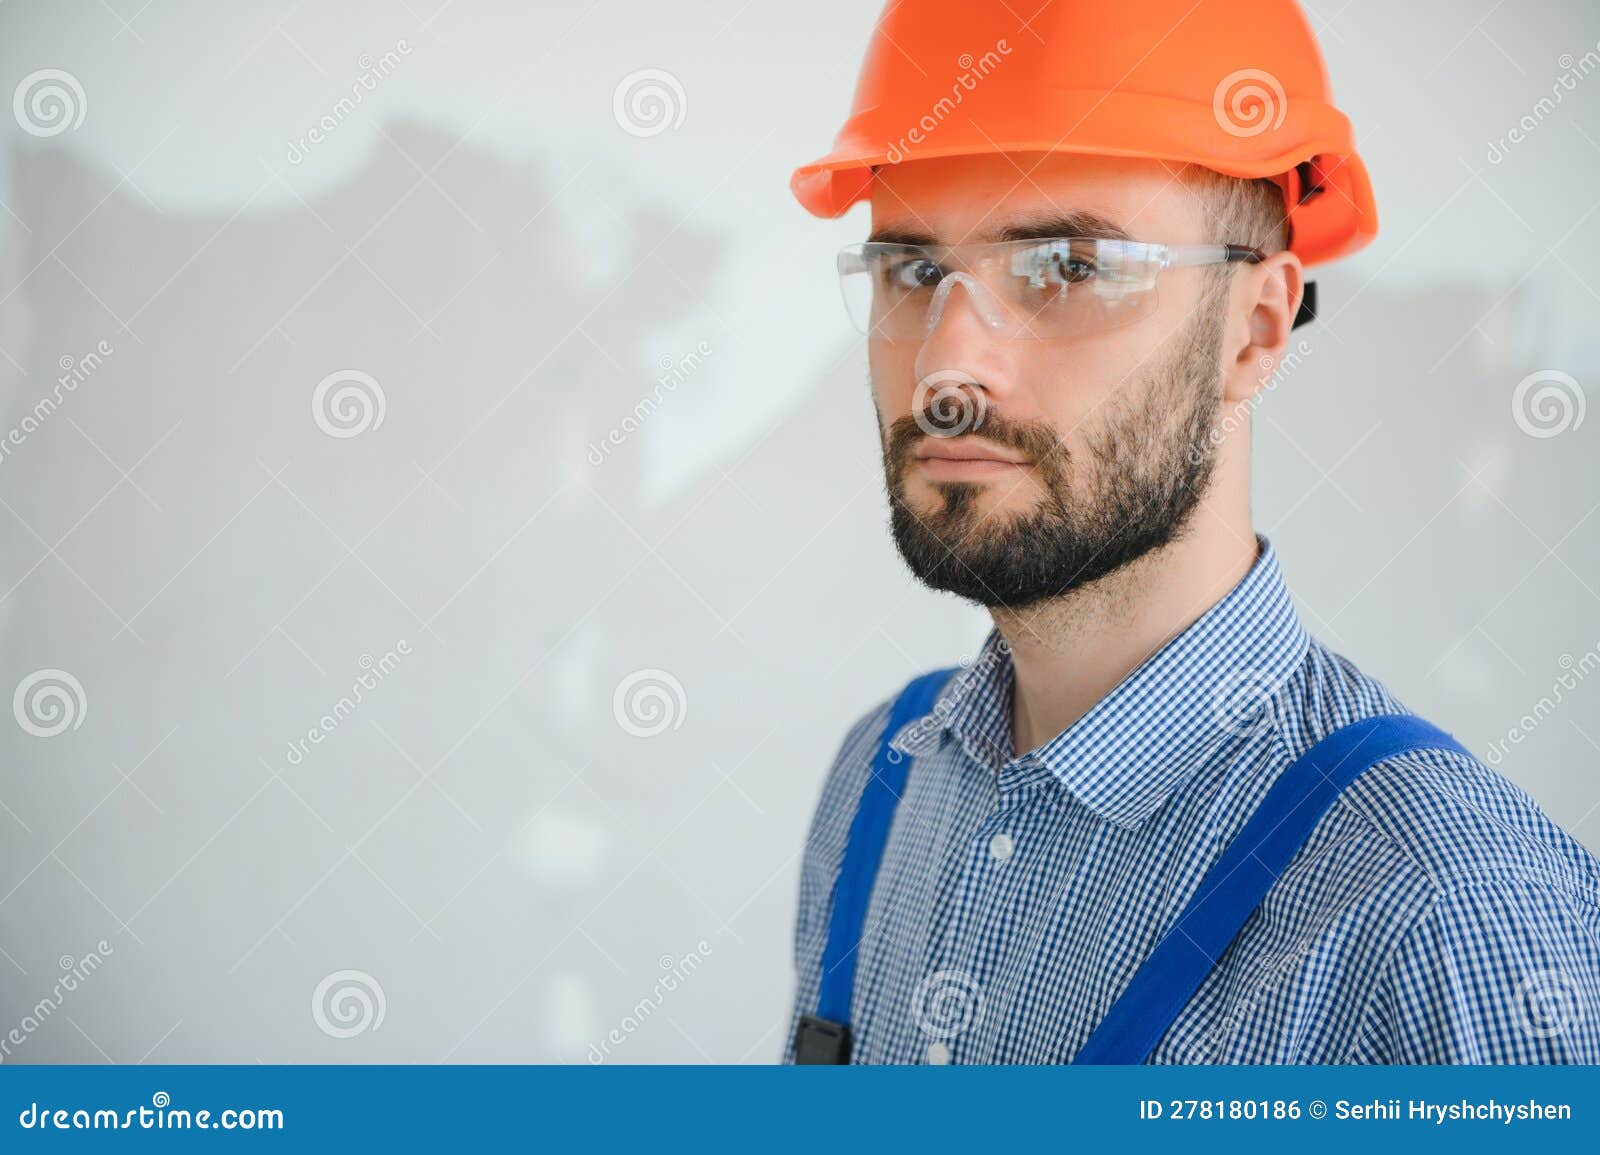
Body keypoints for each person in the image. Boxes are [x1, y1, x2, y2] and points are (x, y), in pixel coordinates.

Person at [780, 0, 1600, 1064]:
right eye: (913, 271)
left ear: (1254, 331)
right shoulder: (881, 784)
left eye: (1067, 267)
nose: (948, 367)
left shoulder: (1440, 909)